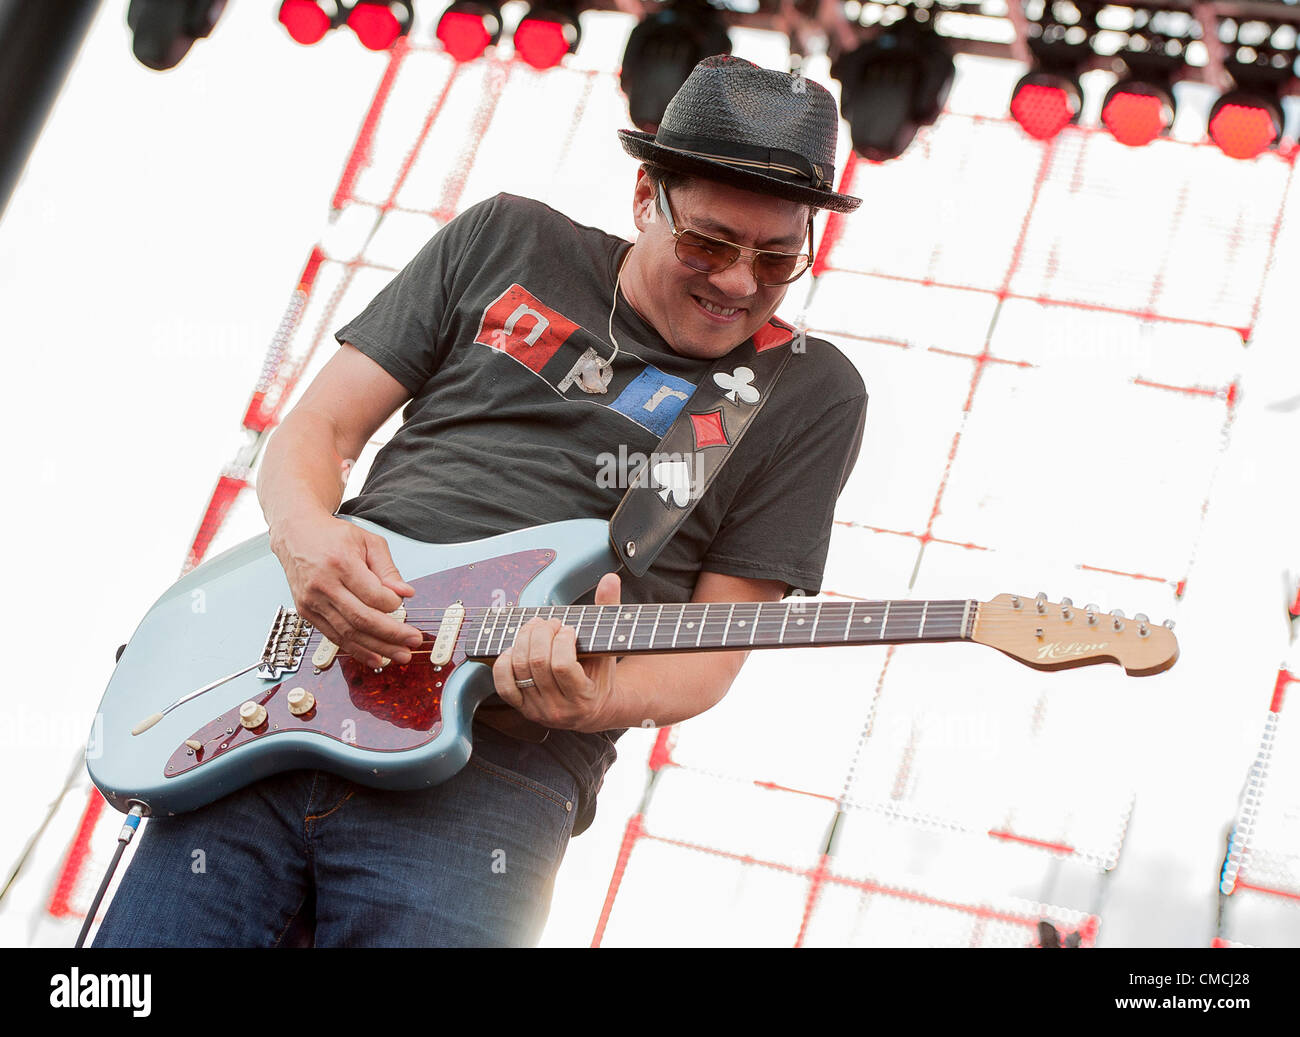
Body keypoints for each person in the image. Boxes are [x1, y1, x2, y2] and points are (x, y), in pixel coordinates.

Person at [91, 54, 868, 948]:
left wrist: (593, 701)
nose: (739, 281)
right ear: (645, 195)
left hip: (498, 771)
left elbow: (712, 655)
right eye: (709, 243)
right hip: (272, 693)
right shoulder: (506, 237)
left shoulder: (807, 391)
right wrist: (307, 540)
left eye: (779, 257)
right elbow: (317, 433)